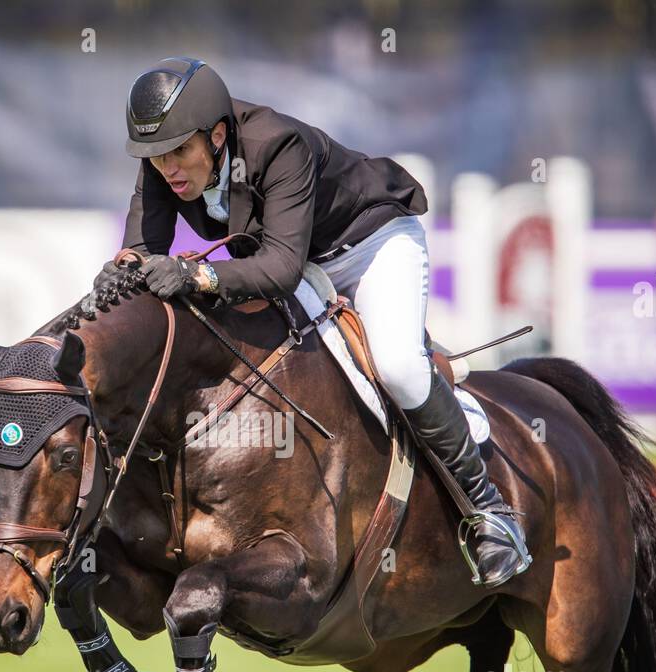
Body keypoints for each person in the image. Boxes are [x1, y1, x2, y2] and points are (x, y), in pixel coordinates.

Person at [97, 57, 529, 587]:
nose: (169, 170)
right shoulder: (166, 161)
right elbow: (140, 252)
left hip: (368, 245)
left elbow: (279, 270)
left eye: (179, 153)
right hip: (295, 261)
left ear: (214, 135)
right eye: (155, 158)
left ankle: (489, 514)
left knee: (396, 366)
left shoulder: (277, 145)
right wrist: (118, 277)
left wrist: (194, 275)